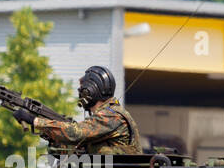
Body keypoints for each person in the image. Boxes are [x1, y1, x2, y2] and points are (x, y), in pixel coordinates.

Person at [14, 65, 142, 155]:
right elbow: (73, 149)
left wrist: (35, 121)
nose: (80, 94)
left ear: (91, 91)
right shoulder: (104, 119)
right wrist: (51, 135)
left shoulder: (112, 116)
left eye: (82, 90)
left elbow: (76, 133)